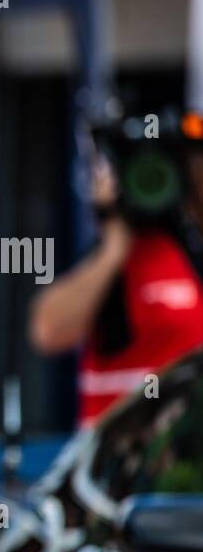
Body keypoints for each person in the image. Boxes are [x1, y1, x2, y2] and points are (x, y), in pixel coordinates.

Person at [30, 139, 203, 425]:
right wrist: (112, 249)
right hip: (118, 459)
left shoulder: (190, 253)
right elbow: (47, 331)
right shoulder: (114, 261)